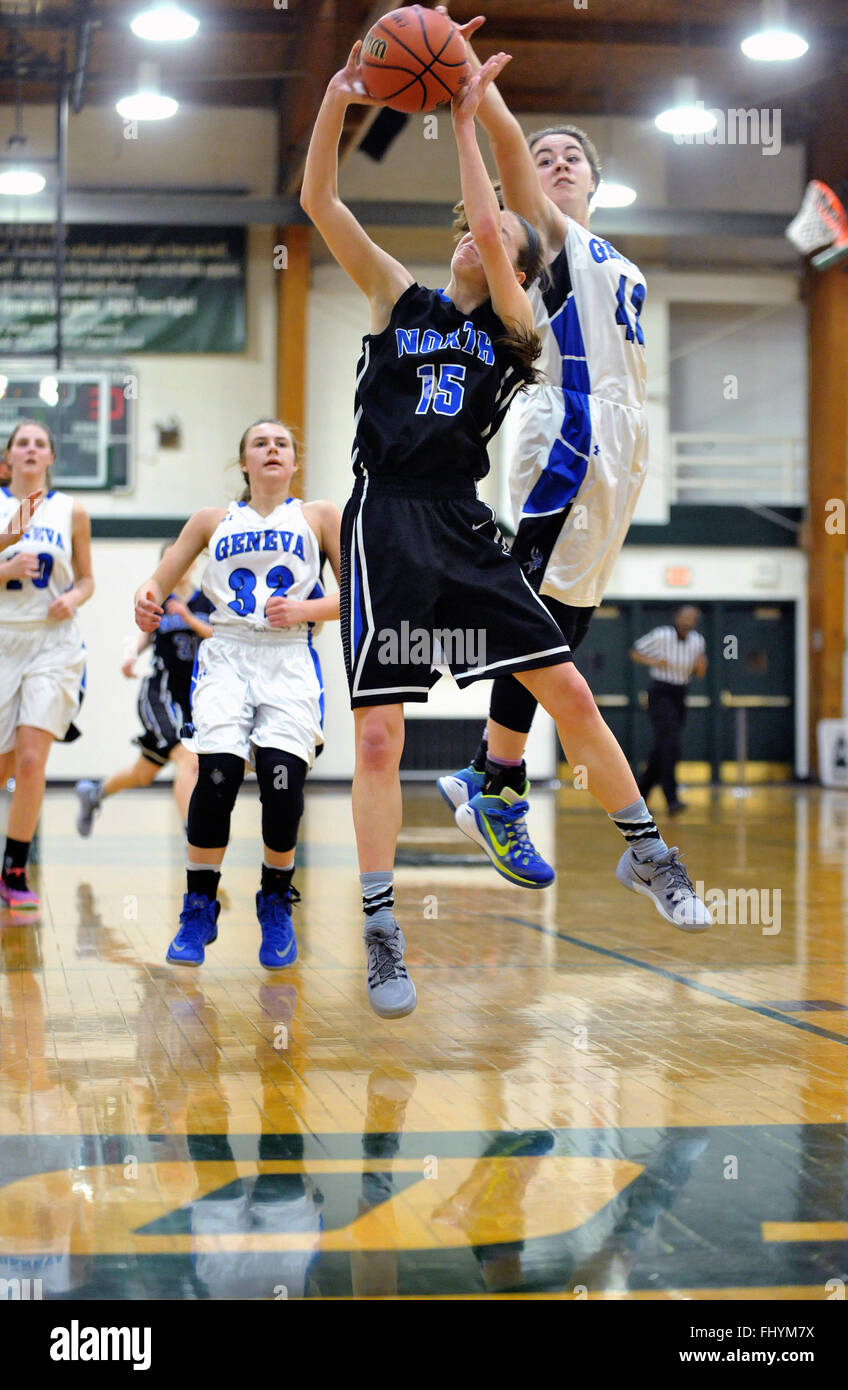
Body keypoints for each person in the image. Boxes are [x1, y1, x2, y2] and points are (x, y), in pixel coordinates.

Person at [300, 47, 710, 1021]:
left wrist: (465, 111)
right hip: (386, 517)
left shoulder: (517, 330)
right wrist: (336, 99)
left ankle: (646, 846)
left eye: (495, 242)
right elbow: (320, 199)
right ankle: (381, 926)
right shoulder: (398, 296)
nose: (475, 240)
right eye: (468, 235)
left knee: (564, 680)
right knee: (379, 743)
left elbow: (495, 216)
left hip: (463, 521)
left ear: (517, 264)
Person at [436, 12, 649, 888]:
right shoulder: (547, 238)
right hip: (567, 427)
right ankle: (499, 782)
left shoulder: (619, 258)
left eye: (574, 160)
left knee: (567, 614)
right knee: (535, 615)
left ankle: (487, 773)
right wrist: (481, 99)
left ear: (599, 181)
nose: (558, 166)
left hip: (625, 440)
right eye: (549, 158)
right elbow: (517, 165)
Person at [133, 419, 341, 969]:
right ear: (243, 462)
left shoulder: (318, 516)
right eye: (260, 443)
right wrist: (145, 597)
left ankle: (275, 898)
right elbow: (157, 580)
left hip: (289, 655)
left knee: (281, 782)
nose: (272, 449)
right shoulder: (212, 519)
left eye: (283, 444)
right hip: (226, 653)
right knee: (217, 774)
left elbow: (360, 596)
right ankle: (199, 905)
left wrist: (307, 608)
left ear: (295, 463)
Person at [0, 419, 94, 912]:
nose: (31, 450)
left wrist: (73, 598)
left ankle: (14, 870)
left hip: (53, 644)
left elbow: (87, 579)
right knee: (2, 767)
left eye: (40, 444)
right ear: (8, 456)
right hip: (2, 640)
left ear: (51, 457)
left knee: (33, 758)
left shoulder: (71, 510)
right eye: (22, 443)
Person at [75, 546, 213, 835]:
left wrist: (188, 618)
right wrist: (130, 656)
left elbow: (216, 634)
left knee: (144, 772)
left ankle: (94, 794)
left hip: (192, 698)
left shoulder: (207, 601)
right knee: (188, 758)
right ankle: (195, 835)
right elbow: (145, 637)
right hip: (159, 694)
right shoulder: (160, 601)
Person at [631, 605, 707, 815]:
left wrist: (701, 666)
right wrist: (654, 661)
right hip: (660, 691)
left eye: (692, 618)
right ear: (676, 617)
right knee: (670, 744)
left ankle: (639, 796)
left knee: (663, 747)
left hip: (680, 692)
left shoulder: (698, 641)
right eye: (684, 617)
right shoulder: (661, 635)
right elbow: (635, 652)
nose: (687, 621)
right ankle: (671, 798)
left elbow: (699, 672)